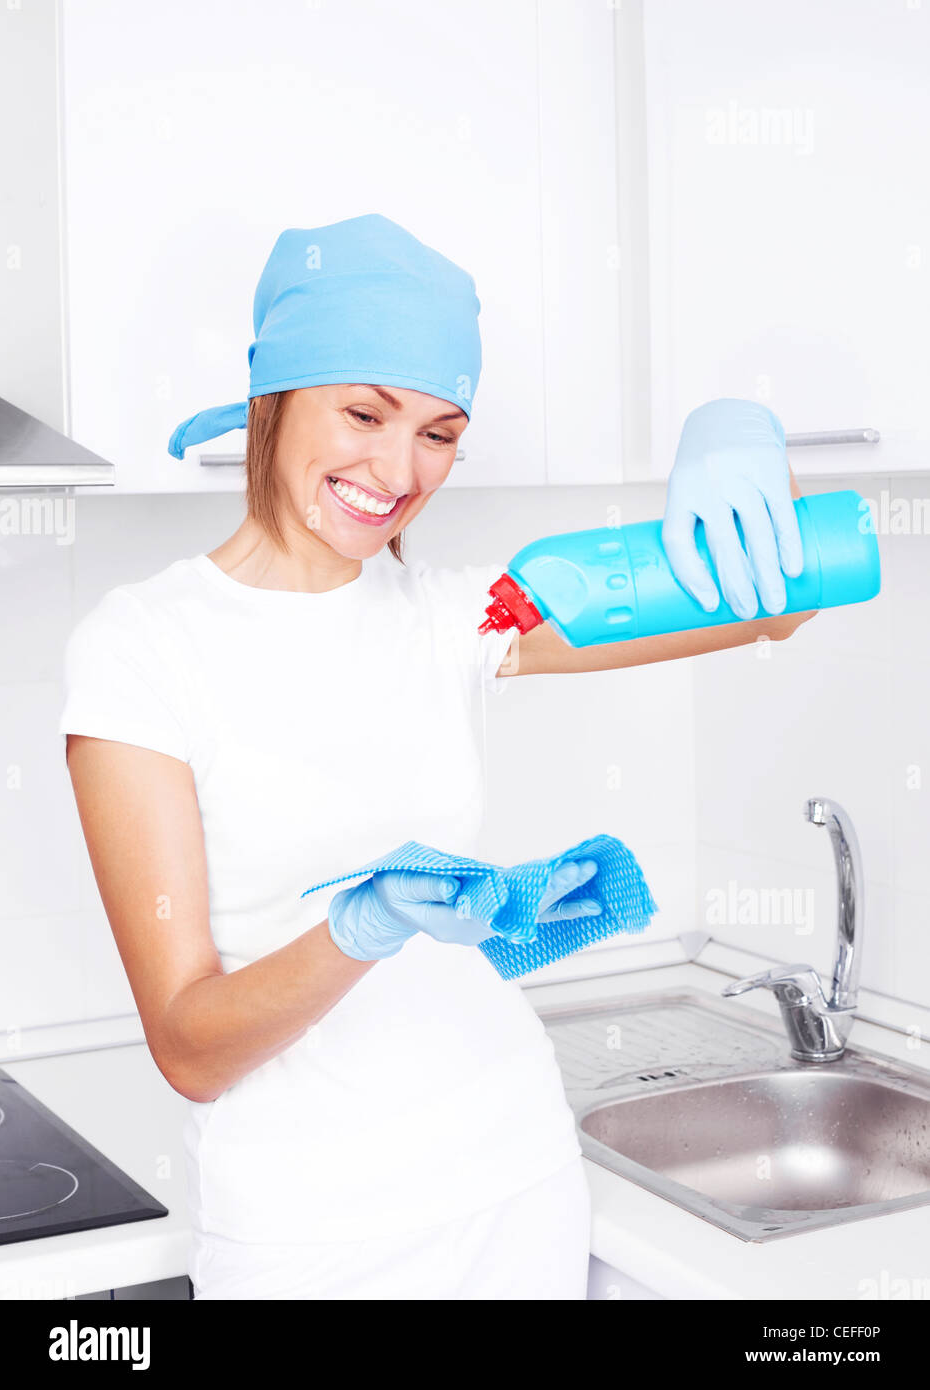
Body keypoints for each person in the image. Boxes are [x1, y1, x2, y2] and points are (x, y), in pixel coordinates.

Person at [59, 213, 814, 1300]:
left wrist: (740, 435)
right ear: (275, 400)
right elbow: (191, 1046)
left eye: (439, 430)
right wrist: (361, 927)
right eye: (363, 411)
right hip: (311, 1237)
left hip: (516, 1185)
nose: (397, 466)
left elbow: (769, 612)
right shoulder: (141, 650)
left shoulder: (464, 619)